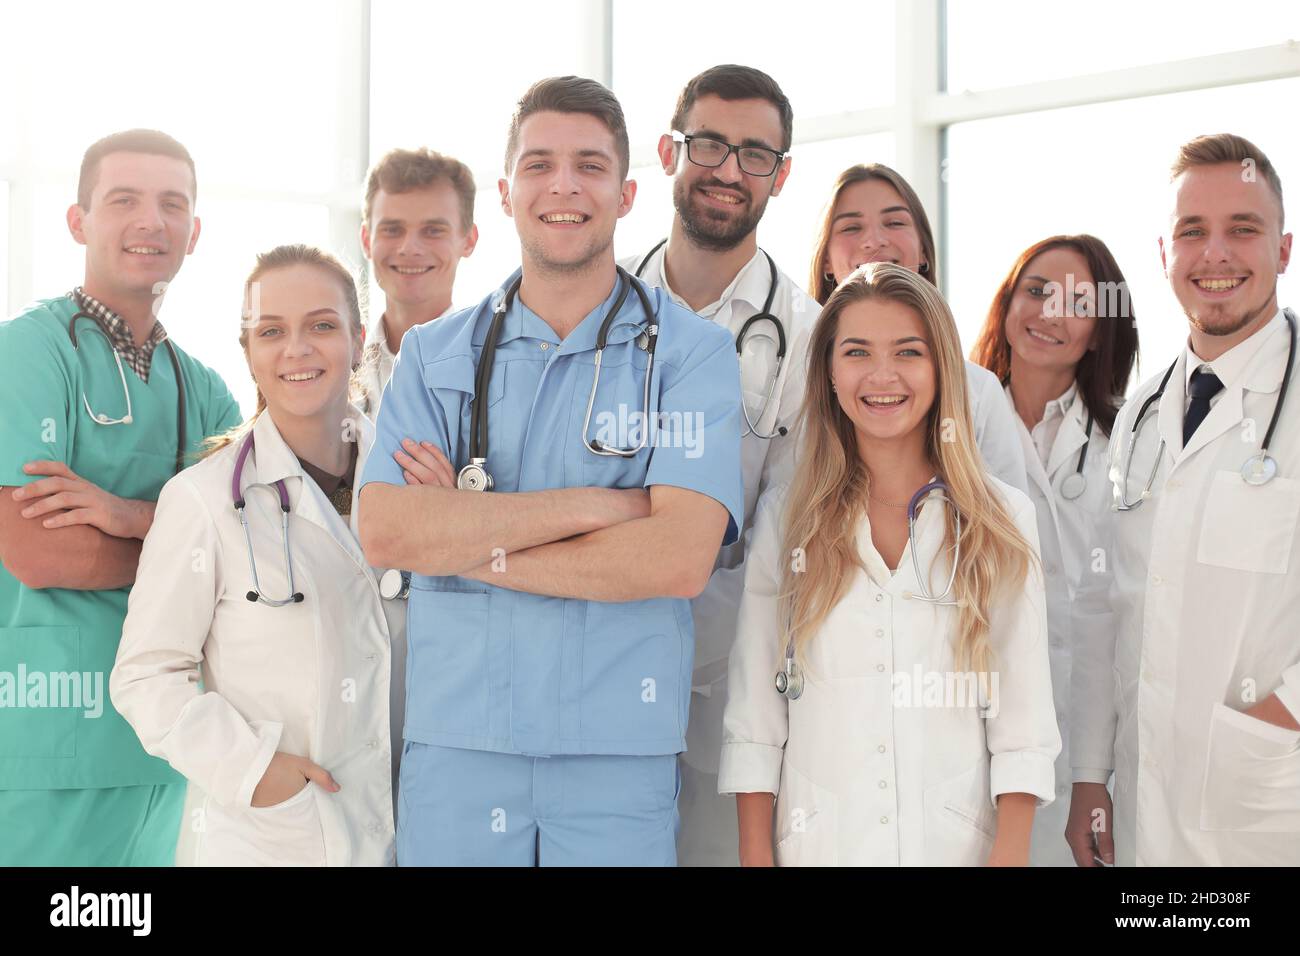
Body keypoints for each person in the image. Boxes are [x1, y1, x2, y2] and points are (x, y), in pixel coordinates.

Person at [357, 76, 744, 866]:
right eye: (538, 165)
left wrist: (467, 537)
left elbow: (676, 558)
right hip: (459, 748)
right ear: (504, 193)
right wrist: (603, 508)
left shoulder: (691, 354)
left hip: (616, 757)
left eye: (589, 166)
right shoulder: (434, 355)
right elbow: (389, 529)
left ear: (628, 193)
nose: (563, 185)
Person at [720, 263, 1060, 865]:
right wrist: (756, 854)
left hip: (955, 846)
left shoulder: (1002, 519)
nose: (883, 376)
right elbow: (755, 715)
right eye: (857, 352)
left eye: (908, 352)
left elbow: (1023, 721)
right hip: (823, 844)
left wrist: (1009, 857)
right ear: (827, 372)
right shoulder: (785, 518)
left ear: (942, 369)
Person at [112, 245, 401, 866]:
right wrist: (255, 771)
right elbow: (143, 677)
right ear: (248, 353)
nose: (296, 349)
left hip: (412, 821)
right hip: (278, 838)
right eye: (271, 331)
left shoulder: (410, 483)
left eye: (321, 325)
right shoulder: (203, 500)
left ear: (357, 340)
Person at [0, 129, 242, 866]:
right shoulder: (27, 354)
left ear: (194, 233)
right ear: (79, 221)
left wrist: (128, 516)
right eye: (124, 200)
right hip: (46, 733)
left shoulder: (204, 388)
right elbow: (35, 549)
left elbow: (256, 546)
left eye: (172, 204)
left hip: (166, 742)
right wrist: (186, 552)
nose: (151, 221)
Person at [1067, 133, 1300, 867]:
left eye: (1243, 228)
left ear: (1285, 249)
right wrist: (1087, 774)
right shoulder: (1140, 414)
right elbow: (1107, 606)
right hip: (1142, 804)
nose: (1216, 254)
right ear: (1165, 254)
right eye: (1192, 232)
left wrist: (1280, 717)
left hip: (1269, 802)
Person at [618, 64, 818, 867]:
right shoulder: (596, 307)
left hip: (728, 692)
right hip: (591, 671)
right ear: (670, 152)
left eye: (755, 154)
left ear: (782, 174)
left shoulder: (809, 338)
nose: (730, 171)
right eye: (709, 144)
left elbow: (787, 537)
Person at [971, 235, 1139, 865]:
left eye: (1075, 301)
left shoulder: (1130, 438)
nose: (1048, 311)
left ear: (1099, 332)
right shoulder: (949, 416)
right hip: (971, 728)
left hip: (1088, 742)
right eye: (1035, 290)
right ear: (1007, 302)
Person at [810, 163, 1028, 493]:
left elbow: (1009, 518)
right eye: (851, 228)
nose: (874, 241)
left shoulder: (979, 391)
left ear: (924, 250)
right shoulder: (791, 383)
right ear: (825, 259)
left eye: (894, 222)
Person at [357, 147, 478, 416]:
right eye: (392, 230)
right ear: (366, 240)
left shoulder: (497, 367)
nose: (410, 248)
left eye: (433, 230)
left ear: (468, 240)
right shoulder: (338, 366)